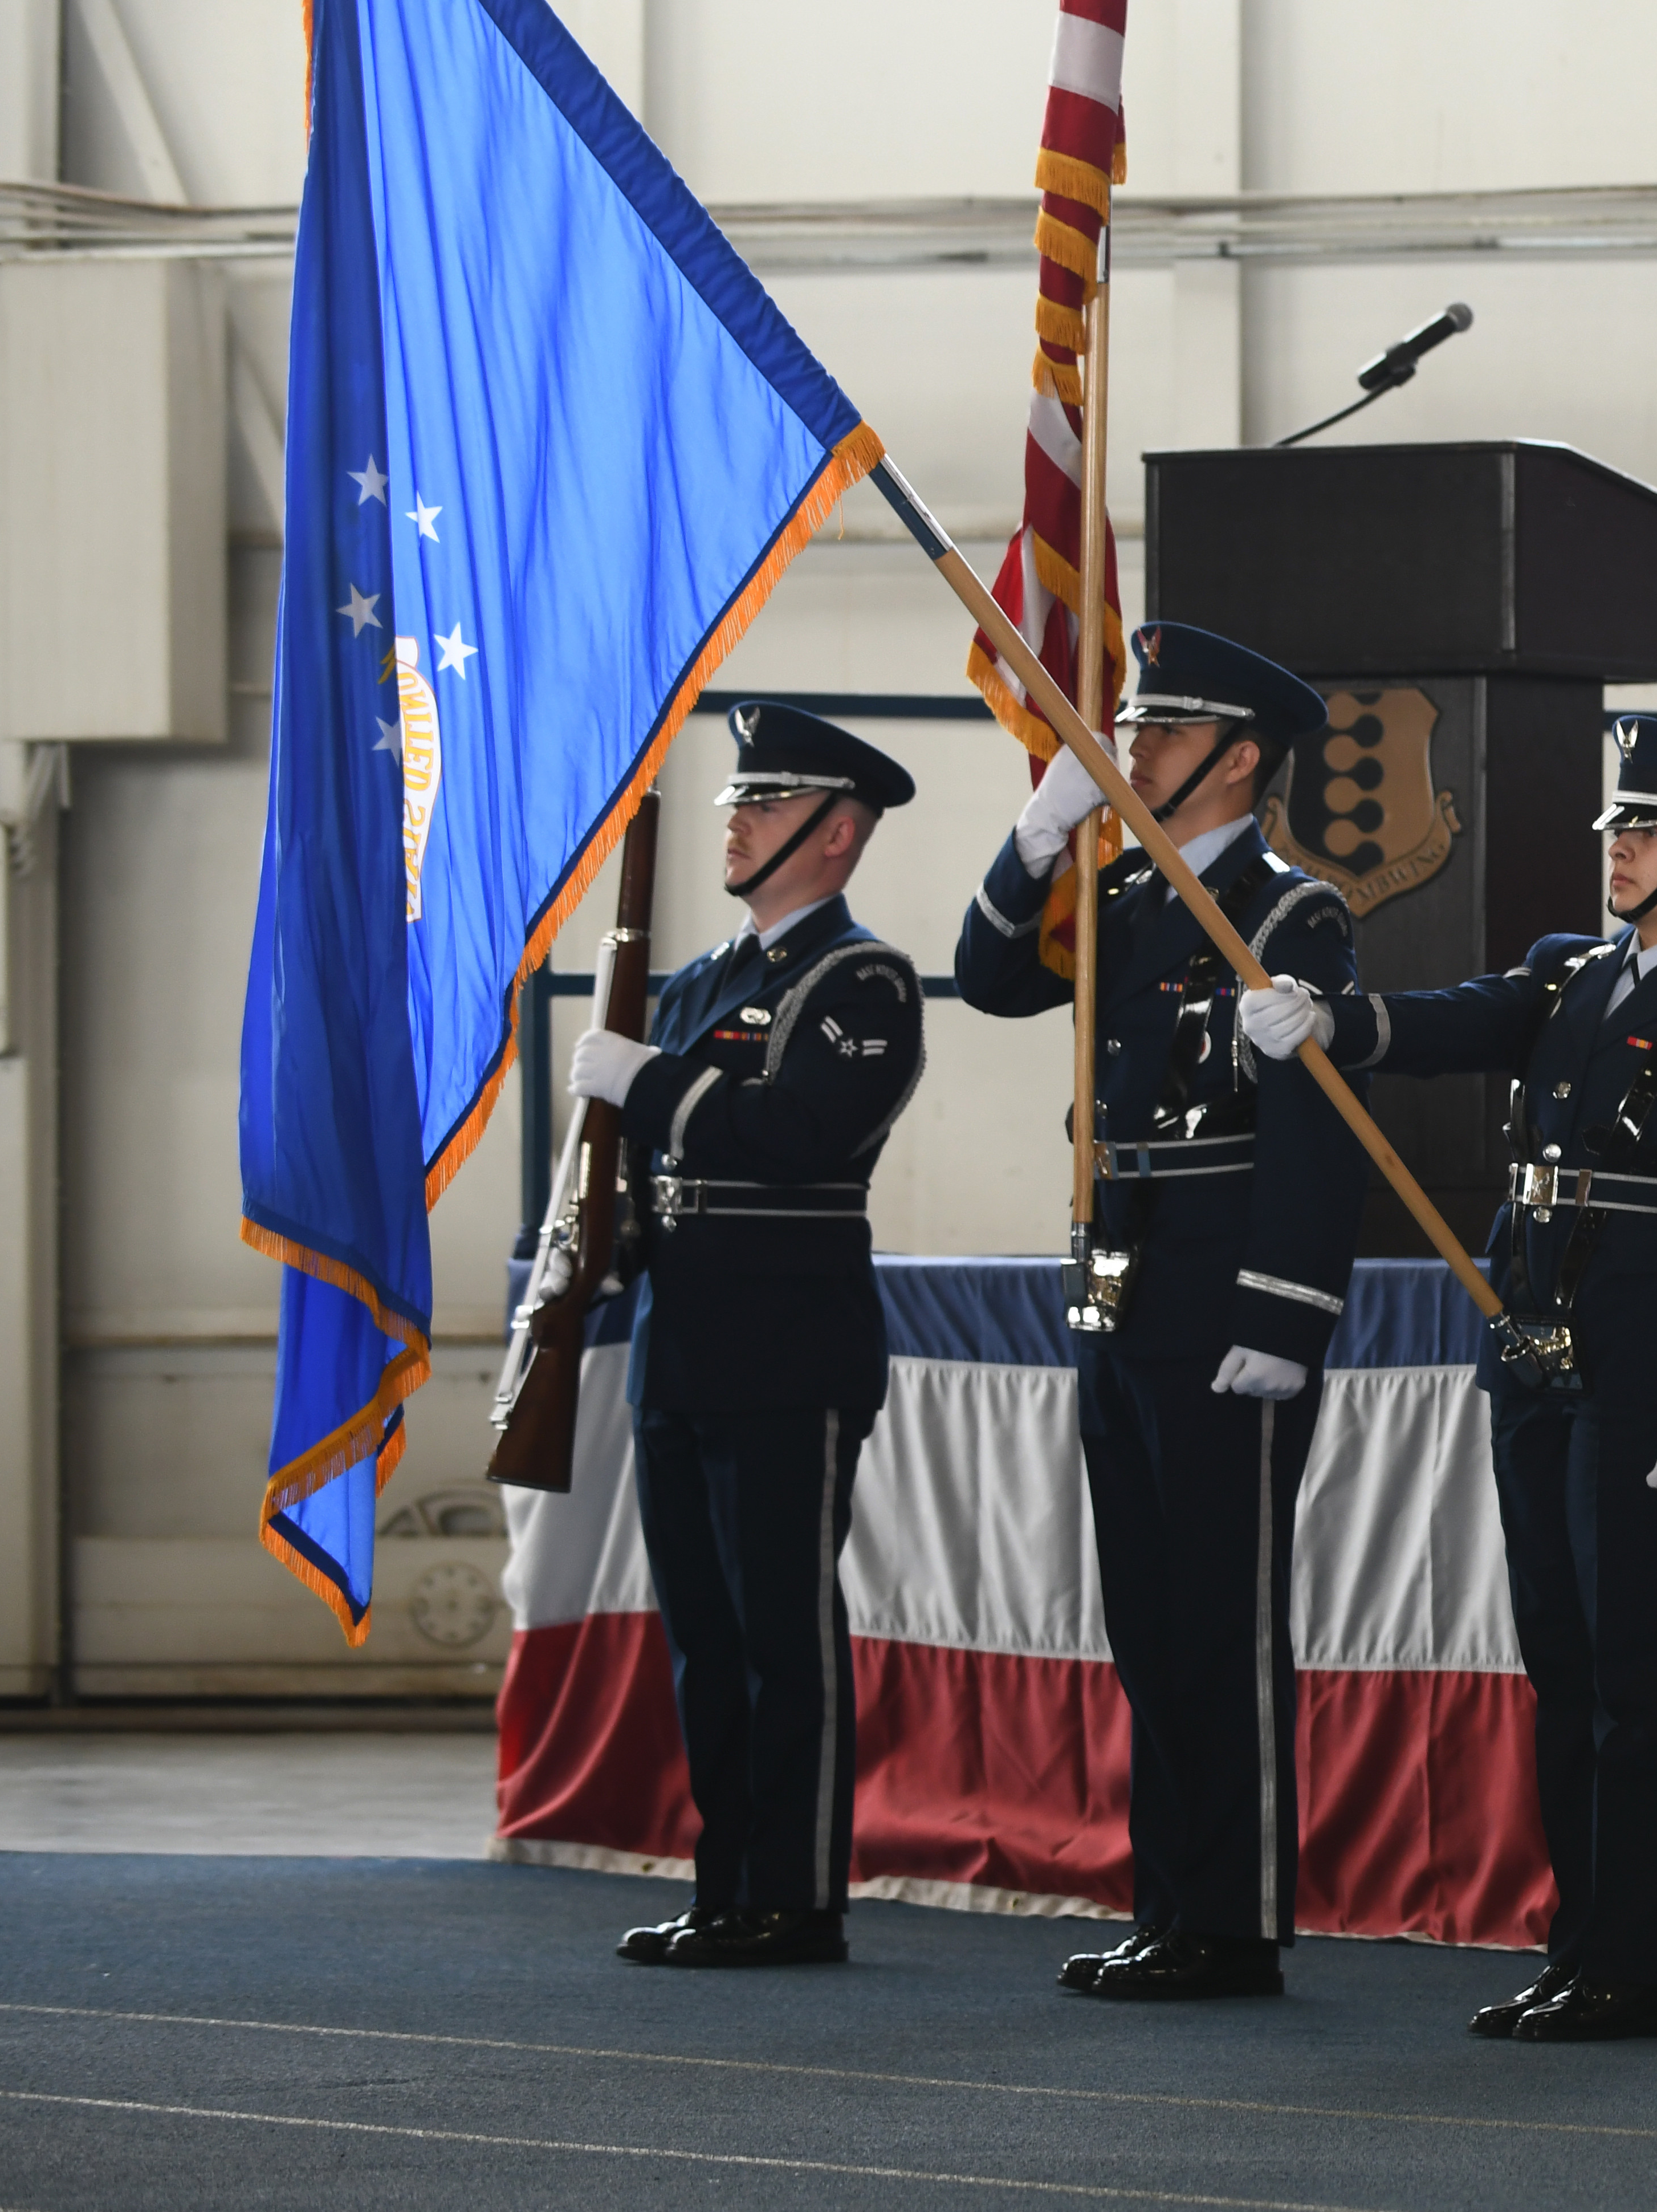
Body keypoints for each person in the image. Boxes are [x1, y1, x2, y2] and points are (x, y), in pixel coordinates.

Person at [1240, 717, 1657, 2046]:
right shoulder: (1572, 974)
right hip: (1537, 1346)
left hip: (1651, 1367)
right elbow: (1455, 1020)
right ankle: (1580, 1943)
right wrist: (1335, 1016)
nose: (1619, 848)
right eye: (1618, 827)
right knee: (1560, 1657)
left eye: (1652, 831)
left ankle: (1636, 1958)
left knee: (1637, 1670)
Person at [954, 623, 1368, 2003]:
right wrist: (1031, 844)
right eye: (1131, 731)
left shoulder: (1290, 912)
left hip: (1217, 1279)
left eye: (1159, 732)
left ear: (1239, 755)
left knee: (1222, 1610)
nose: (1128, 751)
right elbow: (991, 978)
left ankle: (1237, 1914)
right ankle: (1173, 1898)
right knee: (1145, 1605)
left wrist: (1285, 1307)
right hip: (1120, 1265)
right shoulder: (1124, 891)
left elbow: (1318, 1136)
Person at [568, 701, 927, 1972]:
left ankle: (796, 1894)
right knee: (706, 1638)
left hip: (787, 1349)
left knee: (784, 1634)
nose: (734, 822)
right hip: (684, 1340)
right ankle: (726, 1885)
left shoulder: (861, 981)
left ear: (837, 833)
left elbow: (794, 1136)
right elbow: (651, 1166)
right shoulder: (704, 980)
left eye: (764, 806)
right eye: (734, 802)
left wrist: (647, 1080)